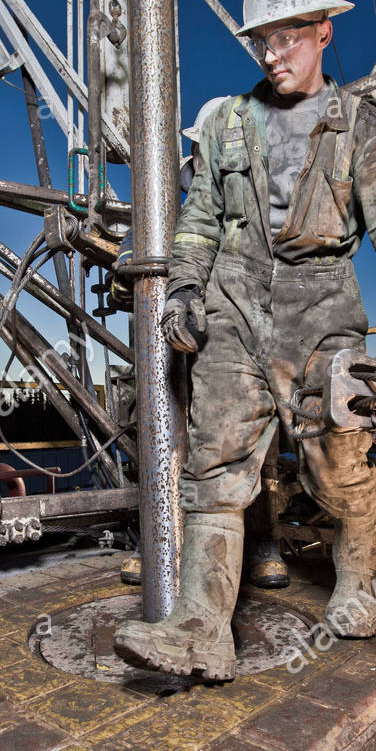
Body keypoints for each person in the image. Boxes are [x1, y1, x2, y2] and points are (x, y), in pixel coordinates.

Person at [113, 0, 376, 681]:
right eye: (261, 39)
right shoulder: (227, 122)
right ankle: (201, 632)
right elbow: (197, 220)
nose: (271, 52)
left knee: (337, 466)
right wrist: (186, 292)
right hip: (234, 309)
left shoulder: (360, 123)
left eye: (287, 36)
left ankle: (357, 581)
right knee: (217, 470)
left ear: (325, 30)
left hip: (322, 313)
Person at [117, 96, 291, 590]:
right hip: (179, 334)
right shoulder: (167, 188)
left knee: (248, 437)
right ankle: (153, 540)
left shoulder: (256, 184)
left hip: (241, 328)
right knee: (157, 429)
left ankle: (260, 544)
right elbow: (141, 243)